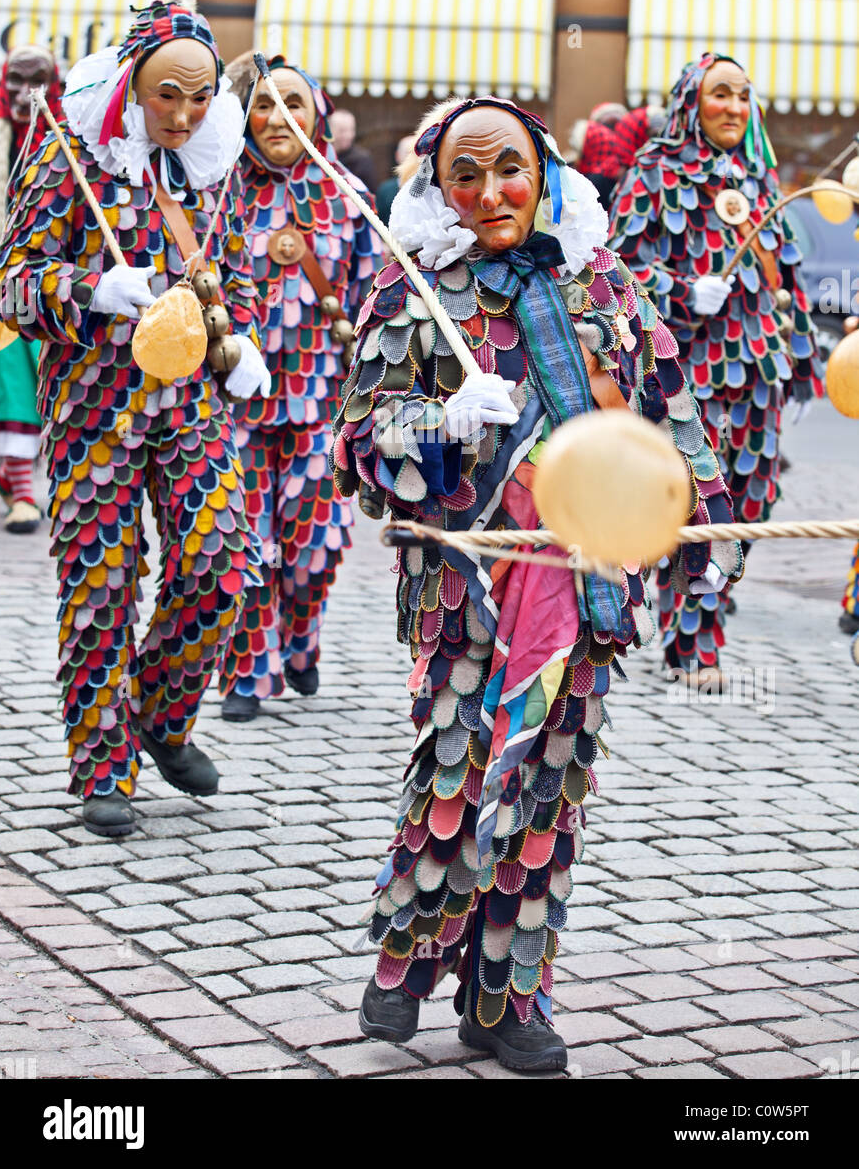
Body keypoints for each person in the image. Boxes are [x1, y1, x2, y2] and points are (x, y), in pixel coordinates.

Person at [331, 95, 740, 1072]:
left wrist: (696, 523)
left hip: (585, 574)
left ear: (543, 170)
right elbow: (359, 446)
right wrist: (442, 424)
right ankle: (403, 963)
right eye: (461, 175)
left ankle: (506, 998)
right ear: (438, 185)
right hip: (467, 583)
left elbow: (664, 412)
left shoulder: (601, 284)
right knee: (455, 770)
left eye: (505, 168)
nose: (487, 193)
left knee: (546, 798)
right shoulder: (414, 295)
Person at [0, 0, 269, 838]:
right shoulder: (69, 159)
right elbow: (12, 283)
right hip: (94, 415)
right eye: (165, 96)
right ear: (131, 87)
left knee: (225, 567)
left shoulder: (210, 172)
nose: (182, 115)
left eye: (198, 96)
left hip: (193, 411)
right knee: (101, 589)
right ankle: (102, 766)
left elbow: (233, 278)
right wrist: (92, 291)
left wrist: (244, 339)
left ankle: (162, 713)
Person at [609, 52, 823, 685]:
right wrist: (680, 288)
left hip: (758, 374)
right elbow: (613, 267)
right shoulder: (654, 174)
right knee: (695, 503)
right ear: (691, 103)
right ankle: (691, 644)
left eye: (743, 95)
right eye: (720, 93)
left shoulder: (760, 178)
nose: (734, 106)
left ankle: (695, 620)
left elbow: (788, 281)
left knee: (750, 504)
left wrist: (803, 365)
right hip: (687, 377)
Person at [217, 53, 382, 721]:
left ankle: (301, 637)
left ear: (317, 113)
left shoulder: (349, 195)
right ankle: (248, 672)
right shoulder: (220, 190)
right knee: (248, 545)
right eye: (263, 103)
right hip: (239, 407)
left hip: (322, 403)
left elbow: (379, 299)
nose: (277, 116)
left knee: (314, 547)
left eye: (292, 102)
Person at [0, 46, 62, 533]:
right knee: (5, 369)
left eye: (35, 81)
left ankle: (19, 480)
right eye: (15, 82)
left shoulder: (70, 140)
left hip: (48, 274)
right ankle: (18, 488)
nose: (24, 93)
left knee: (36, 374)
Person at [327, 108, 379, 194]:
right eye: (342, 130)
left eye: (351, 130)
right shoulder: (320, 155)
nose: (348, 135)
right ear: (329, 130)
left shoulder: (362, 159)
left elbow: (370, 194)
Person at [375, 134, 416, 226]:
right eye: (407, 153)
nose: (411, 159)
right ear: (397, 156)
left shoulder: (431, 188)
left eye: (415, 154)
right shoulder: (385, 190)